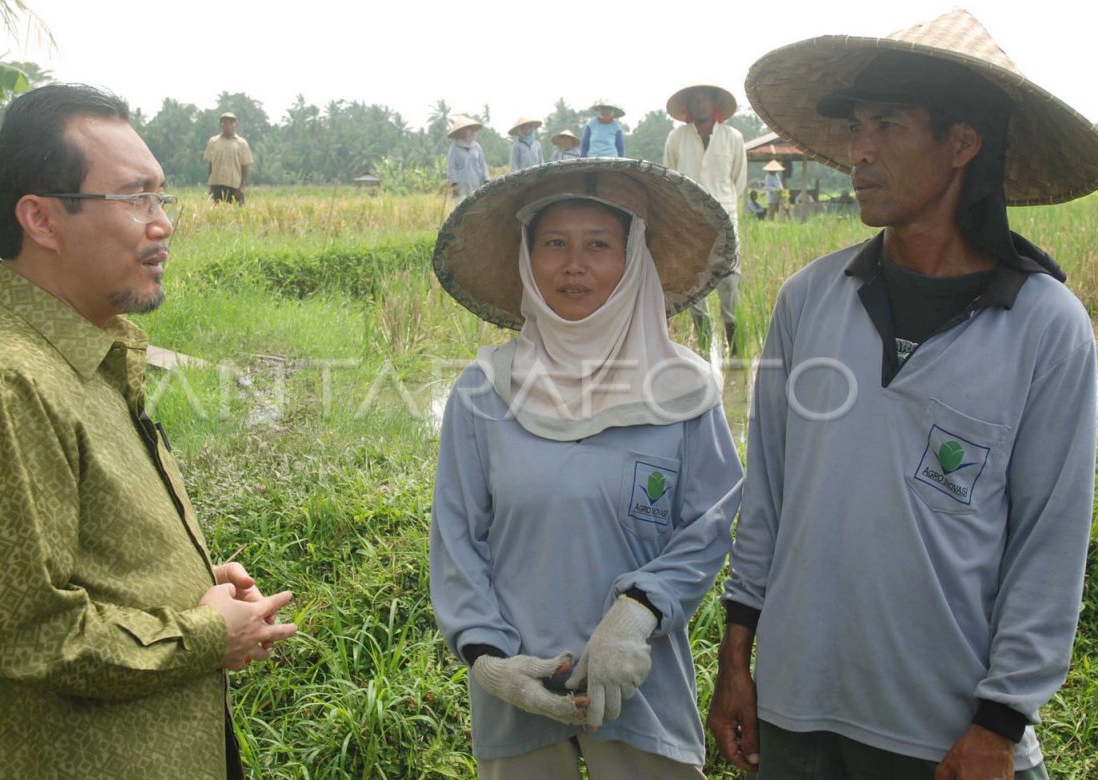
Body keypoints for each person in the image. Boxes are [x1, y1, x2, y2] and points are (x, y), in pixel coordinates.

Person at [709, 10, 1098, 780]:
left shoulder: (1045, 328)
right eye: (856, 126)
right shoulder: (811, 301)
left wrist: (1000, 721)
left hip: (945, 732)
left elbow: (1048, 546)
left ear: (962, 143)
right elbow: (770, 497)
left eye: (888, 125)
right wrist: (737, 653)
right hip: (798, 705)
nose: (858, 151)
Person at [0, 84, 298, 779]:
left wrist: (190, 586)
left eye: (161, 197)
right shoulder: (1, 385)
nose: (163, 224)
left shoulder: (85, 352)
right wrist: (208, 633)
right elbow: (29, 636)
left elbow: (73, 554)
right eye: (134, 198)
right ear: (43, 220)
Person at [430, 159, 743, 779]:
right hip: (519, 687)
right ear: (527, 257)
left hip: (641, 682)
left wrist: (639, 614)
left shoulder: (682, 392)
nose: (574, 265)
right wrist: (490, 659)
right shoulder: (484, 390)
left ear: (634, 262)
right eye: (554, 244)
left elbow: (707, 528)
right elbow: (457, 538)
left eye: (599, 245)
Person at [663, 83, 748, 354]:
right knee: (692, 280)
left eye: (705, 100)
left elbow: (739, 180)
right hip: (689, 218)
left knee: (730, 280)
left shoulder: (733, 137)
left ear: (714, 105)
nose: (700, 104)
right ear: (689, 106)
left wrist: (723, 201)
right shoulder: (676, 138)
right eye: (695, 100)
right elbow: (669, 177)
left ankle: (735, 352)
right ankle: (704, 352)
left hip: (725, 215)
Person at [204, 111, 253, 204]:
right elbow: (211, 164)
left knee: (237, 216)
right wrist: (210, 185)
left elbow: (245, 166)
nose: (228, 126)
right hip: (217, 185)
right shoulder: (213, 142)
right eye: (225, 123)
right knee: (217, 215)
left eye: (231, 123)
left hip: (235, 187)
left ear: (235, 125)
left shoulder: (242, 143)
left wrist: (242, 187)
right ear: (221, 125)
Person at [447, 115, 489, 201]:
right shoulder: (454, 147)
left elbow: (482, 164)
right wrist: (454, 183)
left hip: (477, 183)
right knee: (462, 210)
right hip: (462, 186)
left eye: (468, 129)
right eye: (463, 129)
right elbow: (451, 166)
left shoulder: (477, 146)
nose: (466, 132)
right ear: (459, 132)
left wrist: (486, 179)